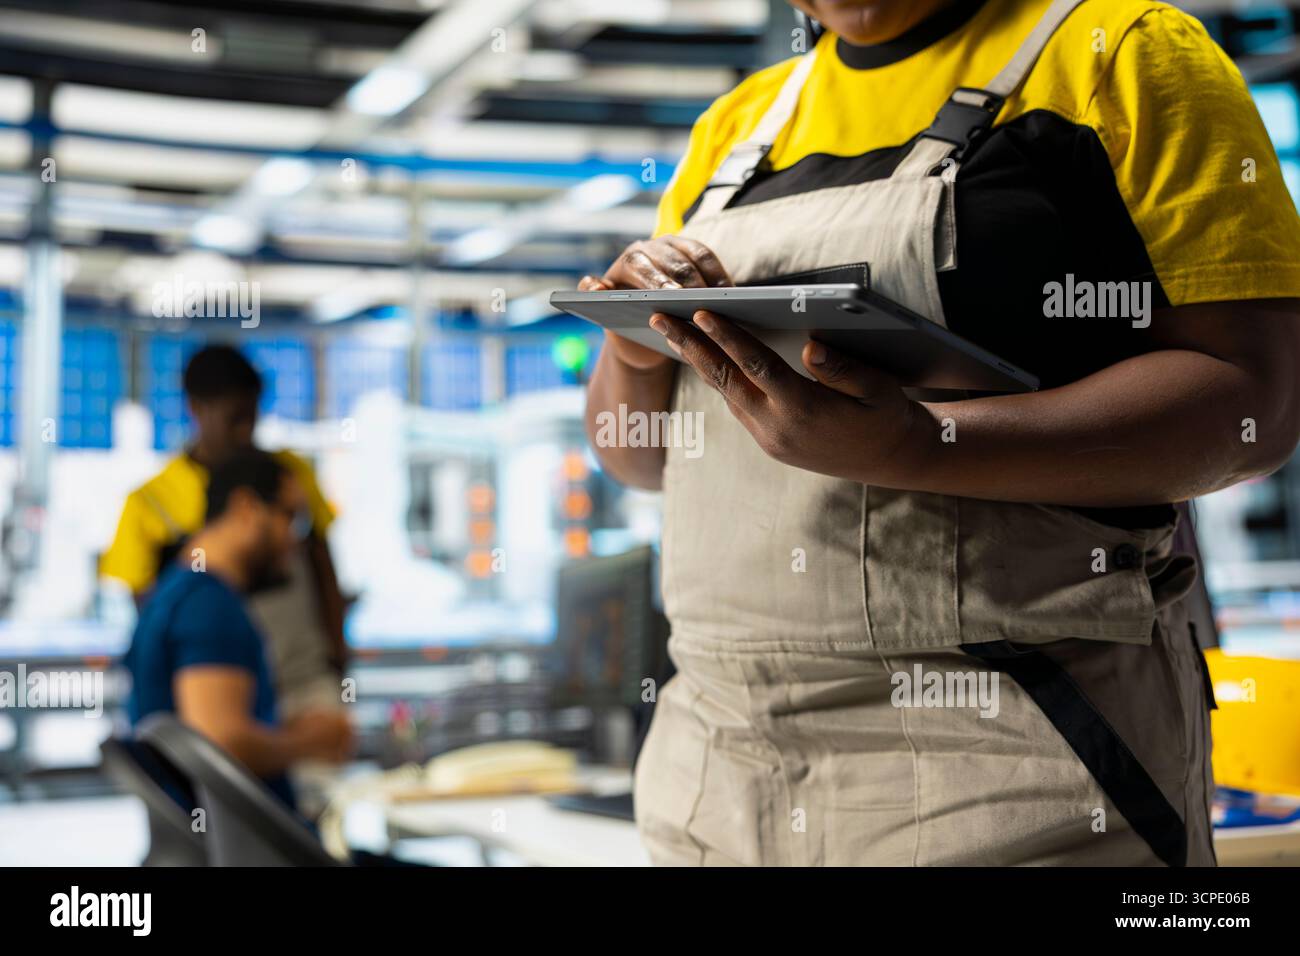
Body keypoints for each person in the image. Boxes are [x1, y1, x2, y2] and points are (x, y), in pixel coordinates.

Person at [585, 0, 1300, 865]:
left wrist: (926, 446)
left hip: (1013, 760)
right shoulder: (735, 129)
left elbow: (1254, 404)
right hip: (719, 764)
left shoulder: (1122, 54)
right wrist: (635, 342)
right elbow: (641, 458)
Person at [101, 344, 348, 716]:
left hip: (297, 680)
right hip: (211, 688)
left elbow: (324, 570)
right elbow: (148, 614)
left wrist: (337, 658)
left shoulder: (288, 475)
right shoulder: (151, 504)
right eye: (235, 418)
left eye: (253, 416)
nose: (246, 431)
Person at [124, 450, 352, 808]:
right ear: (246, 506)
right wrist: (315, 740)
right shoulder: (208, 605)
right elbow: (221, 743)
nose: (294, 541)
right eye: (289, 518)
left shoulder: (176, 592)